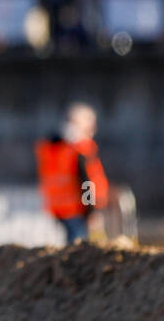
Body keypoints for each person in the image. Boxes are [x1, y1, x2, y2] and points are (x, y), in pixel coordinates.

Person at [35, 102, 109, 243]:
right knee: (78, 248)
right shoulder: (80, 148)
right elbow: (86, 182)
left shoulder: (51, 147)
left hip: (57, 206)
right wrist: (91, 211)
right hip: (77, 209)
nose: (93, 131)